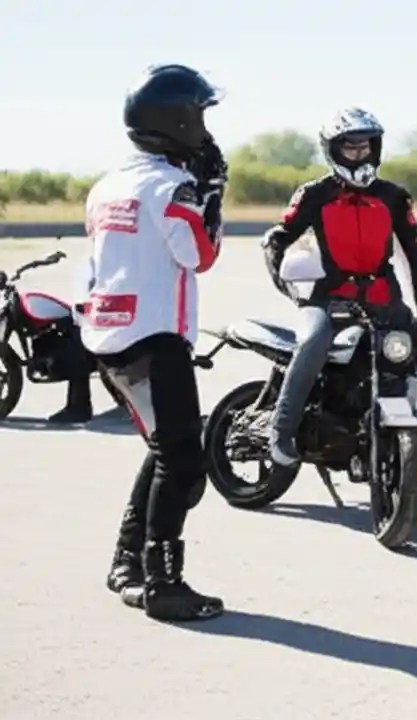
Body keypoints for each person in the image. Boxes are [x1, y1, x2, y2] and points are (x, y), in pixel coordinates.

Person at [85, 63, 227, 620]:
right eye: (201, 115)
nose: (207, 127)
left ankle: (127, 562)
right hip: (156, 340)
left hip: (108, 336)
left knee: (167, 451)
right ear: (178, 121)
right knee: (185, 465)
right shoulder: (172, 187)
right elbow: (202, 255)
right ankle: (164, 584)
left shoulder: (107, 185)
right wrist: (211, 194)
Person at [260, 107, 417, 483]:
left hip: (381, 296)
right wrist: (287, 284)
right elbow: (277, 239)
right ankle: (281, 431)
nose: (360, 154)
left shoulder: (394, 197)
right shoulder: (314, 194)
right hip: (329, 296)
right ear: (333, 151)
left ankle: (406, 436)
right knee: (313, 340)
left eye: (366, 146)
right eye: (350, 147)